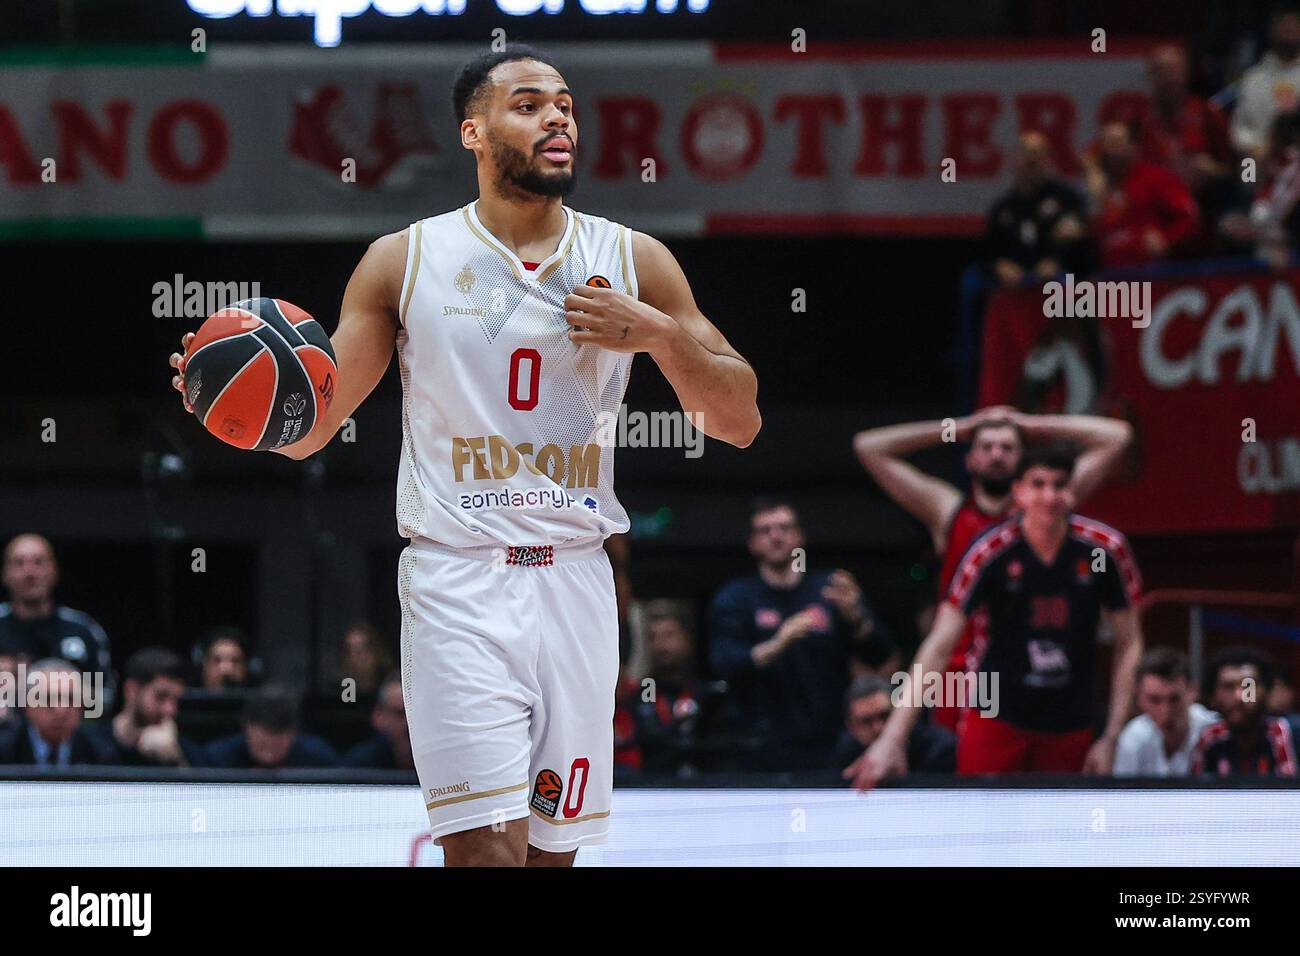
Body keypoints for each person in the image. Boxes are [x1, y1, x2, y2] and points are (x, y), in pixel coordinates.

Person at [169, 44, 760, 867]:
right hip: (459, 579)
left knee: (551, 858)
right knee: (485, 853)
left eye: (565, 103)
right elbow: (313, 424)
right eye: (529, 103)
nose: (558, 115)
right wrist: (239, 407)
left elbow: (739, 419)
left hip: (579, 581)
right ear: (472, 133)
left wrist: (657, 335)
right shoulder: (402, 261)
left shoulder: (635, 261)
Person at [848, 444, 1145, 788]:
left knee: (1061, 834)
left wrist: (1112, 737)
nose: (1049, 496)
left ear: (1073, 492)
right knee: (979, 826)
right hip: (995, 715)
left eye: (1059, 485)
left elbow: (1130, 643)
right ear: (1018, 491)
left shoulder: (1104, 551)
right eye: (1037, 484)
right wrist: (893, 738)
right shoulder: (989, 551)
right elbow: (938, 646)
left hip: (1071, 723)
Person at [708, 500, 894, 771]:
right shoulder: (736, 598)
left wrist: (856, 618)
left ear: (799, 536)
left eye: (784, 527)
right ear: (753, 543)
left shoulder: (829, 592)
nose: (776, 536)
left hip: (829, 745)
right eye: (765, 530)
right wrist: (778, 643)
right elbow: (725, 663)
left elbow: (879, 656)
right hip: (759, 748)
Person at [615, 600, 716, 775]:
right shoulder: (648, 688)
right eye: (653, 637)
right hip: (656, 785)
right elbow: (650, 734)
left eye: (669, 635)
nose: (661, 645)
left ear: (687, 639)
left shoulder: (706, 688)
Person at [1086, 120, 1199, 269]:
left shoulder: (1156, 178)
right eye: (1106, 144)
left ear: (1133, 147)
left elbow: (1190, 218)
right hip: (1112, 278)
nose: (1110, 150)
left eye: (1116, 143)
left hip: (1152, 275)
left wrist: (1167, 239)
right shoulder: (1100, 189)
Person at [0, 534, 112, 679]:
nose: (30, 572)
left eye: (38, 562)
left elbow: (103, 694)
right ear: (5, 574)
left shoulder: (83, 630)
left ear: (54, 570)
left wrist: (67, 685)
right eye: (19, 563)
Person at [985, 130, 1088, 287]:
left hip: (1058, 275)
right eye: (1027, 158)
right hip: (1015, 277)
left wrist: (1054, 259)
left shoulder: (1067, 198)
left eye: (1037, 158)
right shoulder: (1003, 207)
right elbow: (993, 249)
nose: (1031, 164)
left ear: (1048, 161)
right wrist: (1000, 265)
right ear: (1015, 161)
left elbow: (1077, 234)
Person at [1192, 647, 1299, 778]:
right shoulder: (1210, 742)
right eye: (1228, 687)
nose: (1239, 696)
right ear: (1212, 697)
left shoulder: (1293, 735)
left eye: (1249, 686)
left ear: (1267, 692)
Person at [1113, 648, 1218, 777]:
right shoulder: (1133, 738)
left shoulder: (1215, 732)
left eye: (1174, 699)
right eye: (1155, 700)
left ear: (1192, 692)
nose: (1165, 710)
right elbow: (1123, 795)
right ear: (1138, 696)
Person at [94, 647, 203, 767]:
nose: (170, 710)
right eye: (161, 697)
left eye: (176, 700)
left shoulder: (184, 750)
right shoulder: (90, 744)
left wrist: (174, 759)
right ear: (132, 691)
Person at [831, 675, 955, 775]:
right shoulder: (847, 753)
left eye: (885, 715)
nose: (878, 728)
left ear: (899, 713)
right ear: (851, 727)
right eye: (866, 721)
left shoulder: (939, 748)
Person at [0, 659, 114, 766]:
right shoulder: (5, 753)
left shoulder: (101, 754)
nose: (61, 710)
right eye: (48, 698)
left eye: (70, 698)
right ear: (26, 705)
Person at [203, 684, 338, 769]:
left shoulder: (319, 759)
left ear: (293, 734)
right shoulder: (218, 759)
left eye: (277, 746)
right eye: (262, 744)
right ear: (247, 729)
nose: (269, 755)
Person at [1230, 6, 1300, 161]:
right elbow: (1240, 126)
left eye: (1293, 25)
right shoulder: (1253, 77)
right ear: (1272, 30)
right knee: (1247, 171)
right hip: (1258, 155)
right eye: (1283, 25)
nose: (1288, 29)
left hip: (1296, 158)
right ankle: (1248, 183)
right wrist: (1257, 147)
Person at [343, 672, 415, 770]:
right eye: (400, 714)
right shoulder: (357, 766)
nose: (408, 723)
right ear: (378, 716)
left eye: (415, 716)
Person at [337, 622, 394, 698]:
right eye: (350, 651)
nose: (355, 656)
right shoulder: (341, 691)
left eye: (362, 649)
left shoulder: (393, 686)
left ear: (376, 651)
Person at [195, 626, 251, 692]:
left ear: (246, 666)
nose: (226, 669)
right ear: (204, 665)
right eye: (217, 660)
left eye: (235, 661)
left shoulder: (262, 699)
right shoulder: (183, 698)